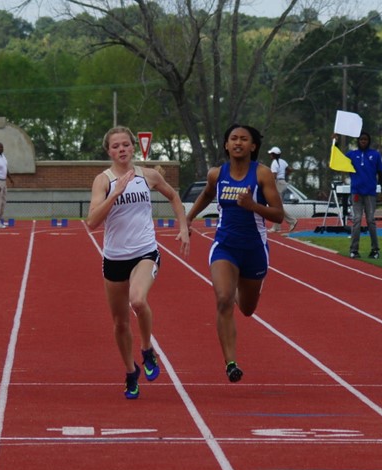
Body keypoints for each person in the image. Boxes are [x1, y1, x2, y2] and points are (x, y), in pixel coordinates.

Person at [85, 126, 189, 399]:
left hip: (145, 251)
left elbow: (174, 196)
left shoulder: (148, 175)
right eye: (115, 146)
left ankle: (146, 349)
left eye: (125, 145)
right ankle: (131, 372)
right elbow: (92, 222)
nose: (121, 149)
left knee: (138, 300)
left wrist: (184, 227)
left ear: (133, 148)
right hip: (114, 257)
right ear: (109, 151)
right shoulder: (103, 181)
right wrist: (115, 193)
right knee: (120, 323)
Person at [185, 124, 284, 382]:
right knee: (223, 298)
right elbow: (207, 195)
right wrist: (188, 218)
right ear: (226, 145)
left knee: (248, 309)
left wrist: (253, 205)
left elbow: (279, 215)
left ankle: (246, 287)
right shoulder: (217, 174)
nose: (238, 143)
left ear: (253, 146)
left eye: (243, 139)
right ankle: (231, 363)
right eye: (233, 139)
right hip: (224, 246)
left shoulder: (262, 174)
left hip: (254, 250)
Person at [340, 131, 382, 259]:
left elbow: (380, 173)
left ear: (369, 141)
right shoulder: (352, 154)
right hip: (356, 192)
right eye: (361, 139)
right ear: (358, 141)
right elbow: (338, 159)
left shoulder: (375, 155)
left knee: (371, 221)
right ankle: (354, 250)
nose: (363, 141)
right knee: (356, 220)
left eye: (365, 139)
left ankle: (375, 249)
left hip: (370, 193)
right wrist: (335, 142)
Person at [267, 146, 297, 233]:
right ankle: (277, 227)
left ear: (274, 155)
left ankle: (292, 221)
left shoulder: (274, 163)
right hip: (283, 183)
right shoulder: (283, 161)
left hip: (278, 184)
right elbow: (290, 170)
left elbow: (274, 176)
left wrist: (270, 185)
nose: (270, 155)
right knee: (277, 206)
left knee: (277, 206)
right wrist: (284, 175)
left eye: (271, 154)